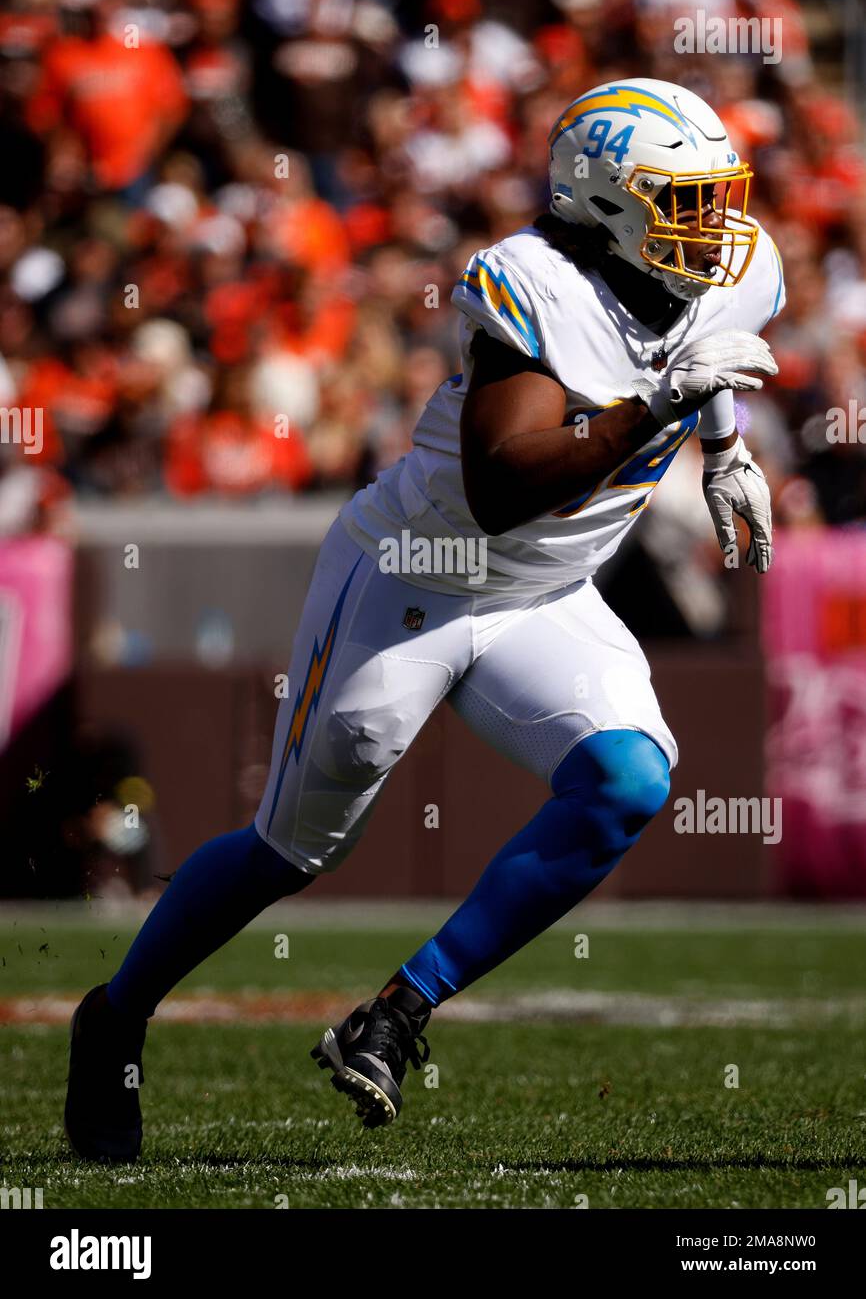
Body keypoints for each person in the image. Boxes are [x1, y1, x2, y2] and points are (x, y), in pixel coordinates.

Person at [64, 79, 784, 1158]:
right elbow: (503, 482)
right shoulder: (530, 281)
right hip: (419, 574)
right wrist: (663, 406)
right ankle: (115, 1013)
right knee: (292, 850)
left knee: (627, 781)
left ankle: (398, 1012)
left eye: (711, 197)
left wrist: (724, 449)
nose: (710, 225)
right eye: (677, 201)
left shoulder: (728, 262)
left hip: (542, 593)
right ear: (600, 199)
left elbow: (709, 335)